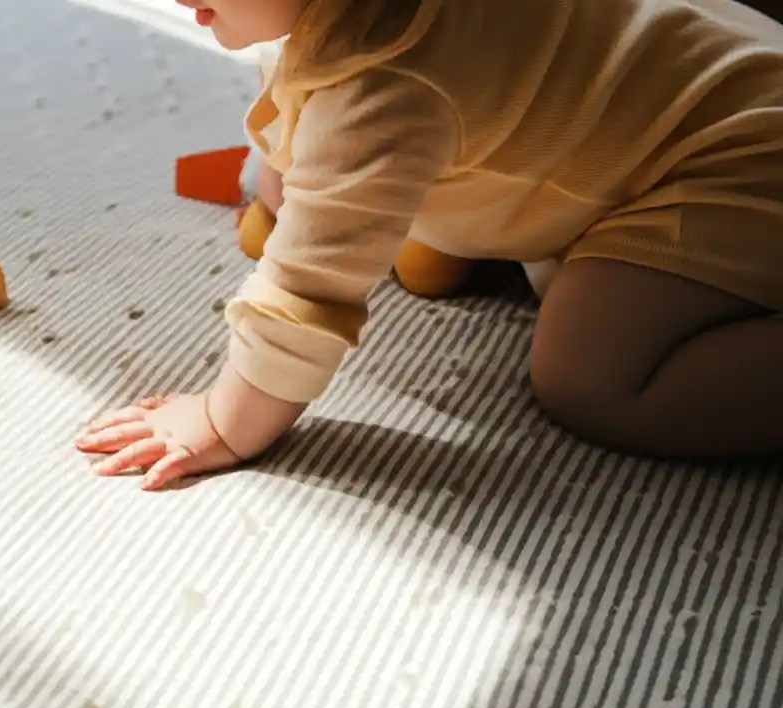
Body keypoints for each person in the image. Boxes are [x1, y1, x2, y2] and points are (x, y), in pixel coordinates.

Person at [75, 0, 783, 490]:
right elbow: (305, 93)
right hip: (723, 66)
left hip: (741, 159)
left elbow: (307, 291)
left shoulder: (382, 83)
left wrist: (223, 422)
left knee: (593, 376)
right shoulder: (352, 28)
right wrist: (279, 181)